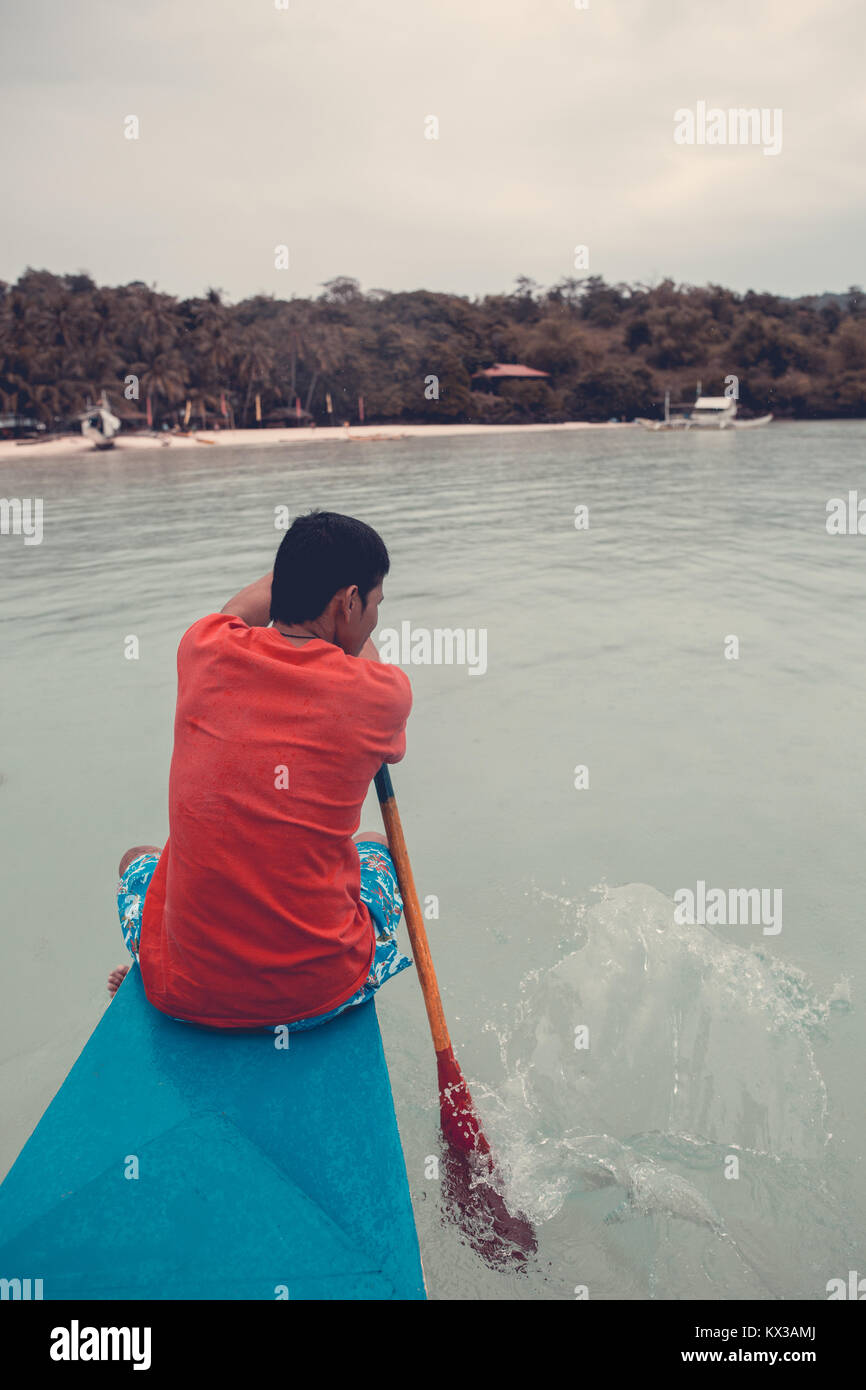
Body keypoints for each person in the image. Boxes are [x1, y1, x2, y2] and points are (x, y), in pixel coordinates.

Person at [109, 510, 413, 1031]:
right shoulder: (382, 695)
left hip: (180, 989)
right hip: (319, 992)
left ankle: (152, 960)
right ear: (350, 600)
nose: (376, 619)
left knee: (137, 859)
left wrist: (301, 568)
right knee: (374, 846)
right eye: (375, 604)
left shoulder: (203, 647)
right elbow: (363, 658)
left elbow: (239, 609)